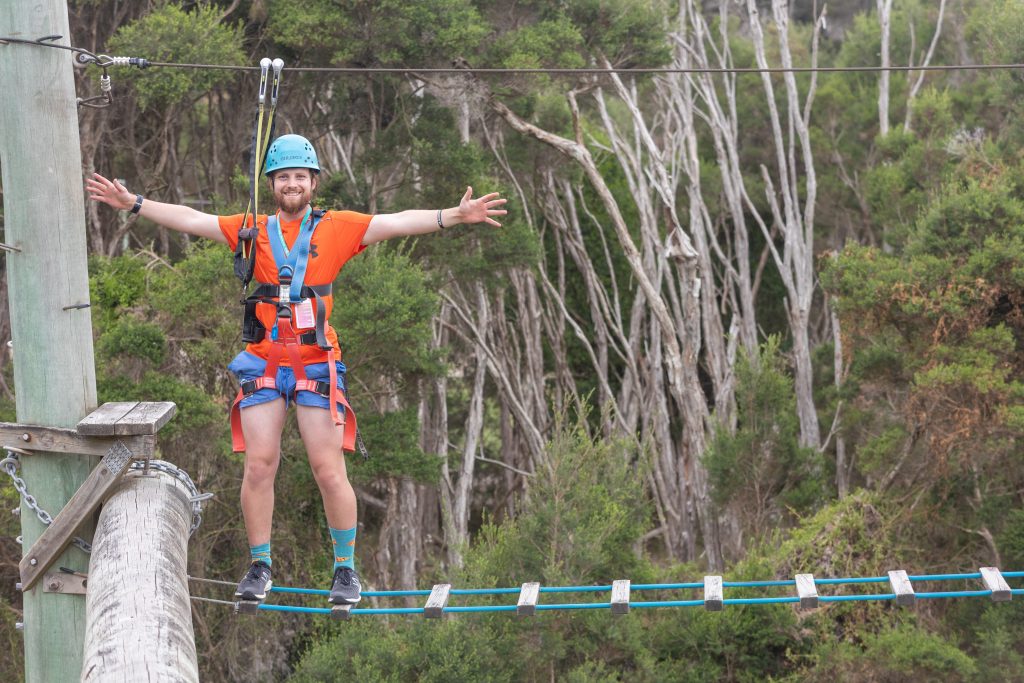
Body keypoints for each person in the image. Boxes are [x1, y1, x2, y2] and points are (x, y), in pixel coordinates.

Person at [86, 133, 507, 605]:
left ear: (313, 183)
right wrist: (135, 203)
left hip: (316, 365)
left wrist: (454, 215)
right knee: (259, 466)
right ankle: (260, 564)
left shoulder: (338, 227)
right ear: (272, 184)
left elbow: (396, 222)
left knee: (329, 471)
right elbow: (192, 219)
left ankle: (345, 570)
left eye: (300, 177)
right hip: (264, 363)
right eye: (284, 177)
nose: (292, 184)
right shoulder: (253, 228)